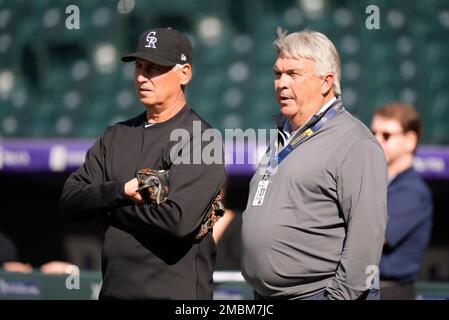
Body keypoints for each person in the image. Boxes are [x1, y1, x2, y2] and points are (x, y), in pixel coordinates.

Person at [60, 27, 226, 299]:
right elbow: (70, 200)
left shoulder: (200, 138)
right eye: (139, 66)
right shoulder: (115, 135)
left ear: (184, 73)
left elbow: (176, 222)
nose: (141, 77)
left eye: (154, 68)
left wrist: (110, 208)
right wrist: (119, 192)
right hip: (114, 292)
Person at [241, 28, 387, 300]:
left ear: (325, 82)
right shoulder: (283, 136)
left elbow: (367, 234)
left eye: (293, 74)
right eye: (277, 74)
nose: (281, 83)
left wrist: (338, 297)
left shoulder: (354, 142)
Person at [370, 102, 433, 300]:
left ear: (410, 140)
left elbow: (373, 236)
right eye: (373, 133)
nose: (377, 140)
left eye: (386, 135)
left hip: (391, 291)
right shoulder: (376, 181)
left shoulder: (413, 191)